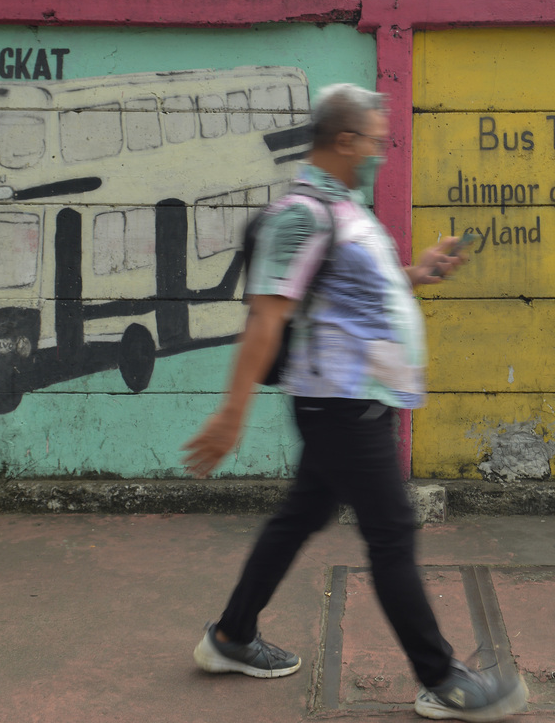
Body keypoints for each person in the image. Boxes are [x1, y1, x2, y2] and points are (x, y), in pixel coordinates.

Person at [181, 83, 528, 722]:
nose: (381, 152)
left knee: (298, 518)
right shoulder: (303, 214)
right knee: (391, 534)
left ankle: (230, 636)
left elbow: (349, 295)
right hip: (340, 405)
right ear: (344, 141)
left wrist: (417, 275)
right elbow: (266, 317)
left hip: (350, 402)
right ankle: (442, 679)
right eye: (375, 141)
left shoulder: (344, 208)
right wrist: (231, 413)